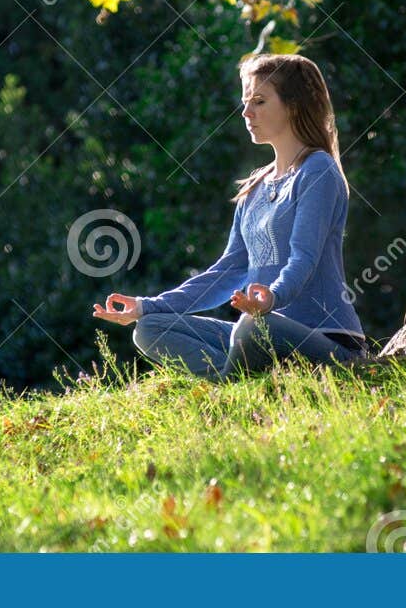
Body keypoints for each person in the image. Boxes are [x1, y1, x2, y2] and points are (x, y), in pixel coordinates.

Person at [92, 53, 369, 378]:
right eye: (245, 102)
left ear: (294, 104)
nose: (246, 112)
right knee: (150, 329)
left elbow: (304, 258)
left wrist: (272, 298)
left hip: (327, 341)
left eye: (259, 101)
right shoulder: (254, 188)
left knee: (250, 327)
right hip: (260, 335)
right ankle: (242, 379)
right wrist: (147, 305)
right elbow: (227, 272)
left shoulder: (318, 170)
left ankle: (231, 384)